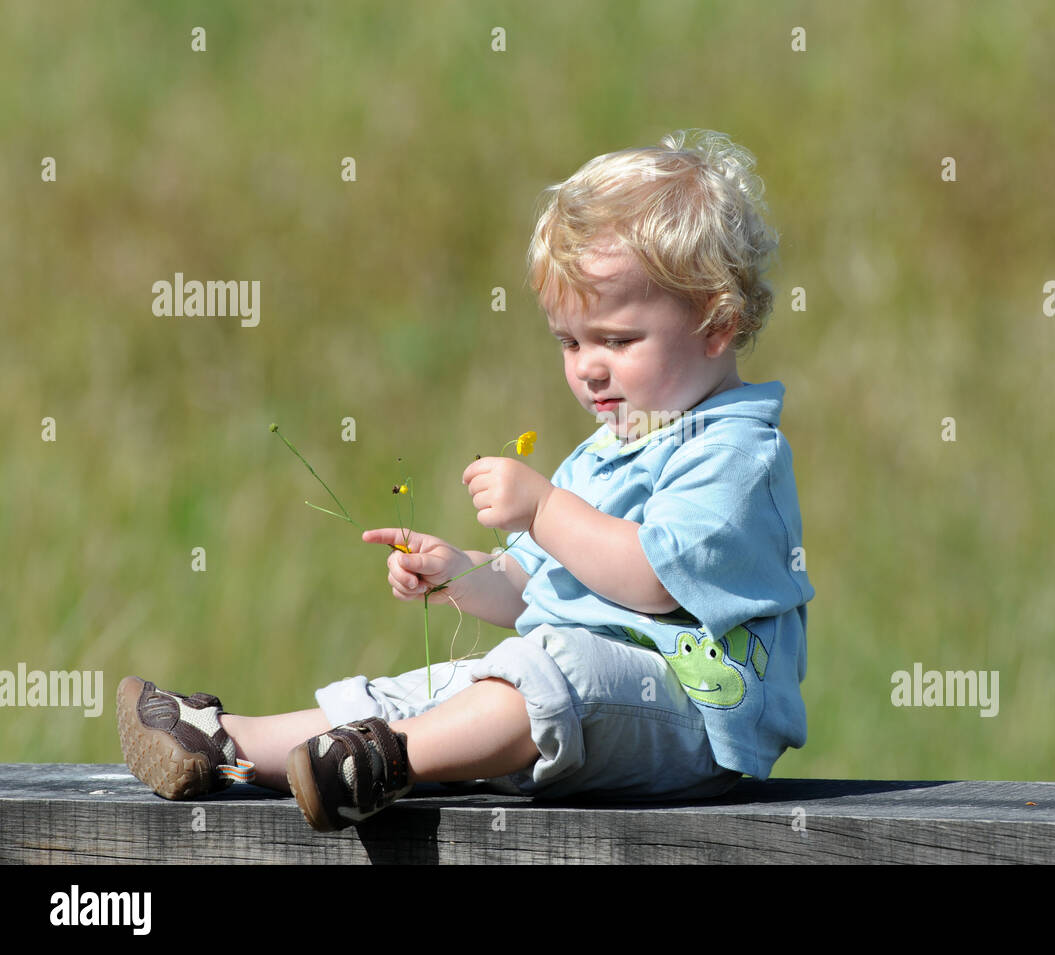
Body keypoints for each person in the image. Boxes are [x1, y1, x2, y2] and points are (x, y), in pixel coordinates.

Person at [116, 129, 814, 832]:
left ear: (717, 324)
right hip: (584, 695)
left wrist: (543, 506)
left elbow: (652, 579)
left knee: (541, 672)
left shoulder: (733, 452)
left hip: (693, 720)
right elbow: (536, 584)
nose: (588, 367)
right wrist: (463, 571)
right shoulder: (607, 453)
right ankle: (232, 742)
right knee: (449, 684)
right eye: (570, 342)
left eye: (618, 339)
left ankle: (388, 760)